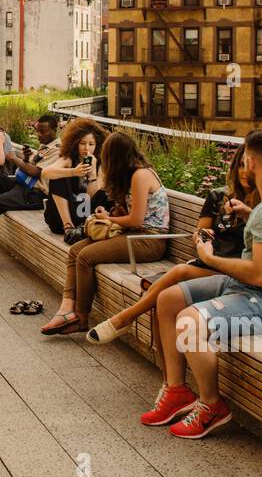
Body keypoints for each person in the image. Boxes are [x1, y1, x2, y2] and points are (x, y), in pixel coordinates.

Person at [147, 128, 262, 440]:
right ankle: (176, 391)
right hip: (249, 288)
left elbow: (259, 275)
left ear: (250, 162)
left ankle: (211, 405)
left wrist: (208, 258)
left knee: (189, 321)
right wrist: (249, 212)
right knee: (169, 299)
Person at [87, 142, 258, 344]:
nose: (245, 172)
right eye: (240, 165)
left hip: (234, 271)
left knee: (178, 274)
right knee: (156, 290)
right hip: (209, 263)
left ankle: (125, 318)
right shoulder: (218, 197)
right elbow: (199, 232)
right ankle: (166, 372)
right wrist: (203, 236)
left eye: (251, 167)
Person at [40, 131, 170, 334]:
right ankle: (66, 310)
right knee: (76, 250)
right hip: (133, 235)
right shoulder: (130, 174)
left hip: (150, 239)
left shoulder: (140, 175)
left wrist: (107, 219)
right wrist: (109, 213)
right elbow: (129, 215)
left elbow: (136, 220)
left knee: (85, 257)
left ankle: (81, 318)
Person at [0, 114, 61, 267]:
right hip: (23, 183)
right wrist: (27, 159)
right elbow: (31, 168)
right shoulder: (45, 146)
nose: (39, 135)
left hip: (35, 194)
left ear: (55, 130)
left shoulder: (58, 149)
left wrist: (15, 159)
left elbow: (36, 173)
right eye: (37, 132)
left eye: (43, 132)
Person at [40, 119, 108, 238]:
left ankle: (77, 228)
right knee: (58, 177)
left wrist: (92, 175)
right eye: (82, 143)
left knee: (102, 193)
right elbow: (46, 173)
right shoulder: (69, 159)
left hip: (84, 215)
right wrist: (74, 172)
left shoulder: (100, 164)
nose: (87, 148)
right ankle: (68, 227)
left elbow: (94, 198)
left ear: (97, 145)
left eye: (91, 144)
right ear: (75, 143)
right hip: (60, 219)